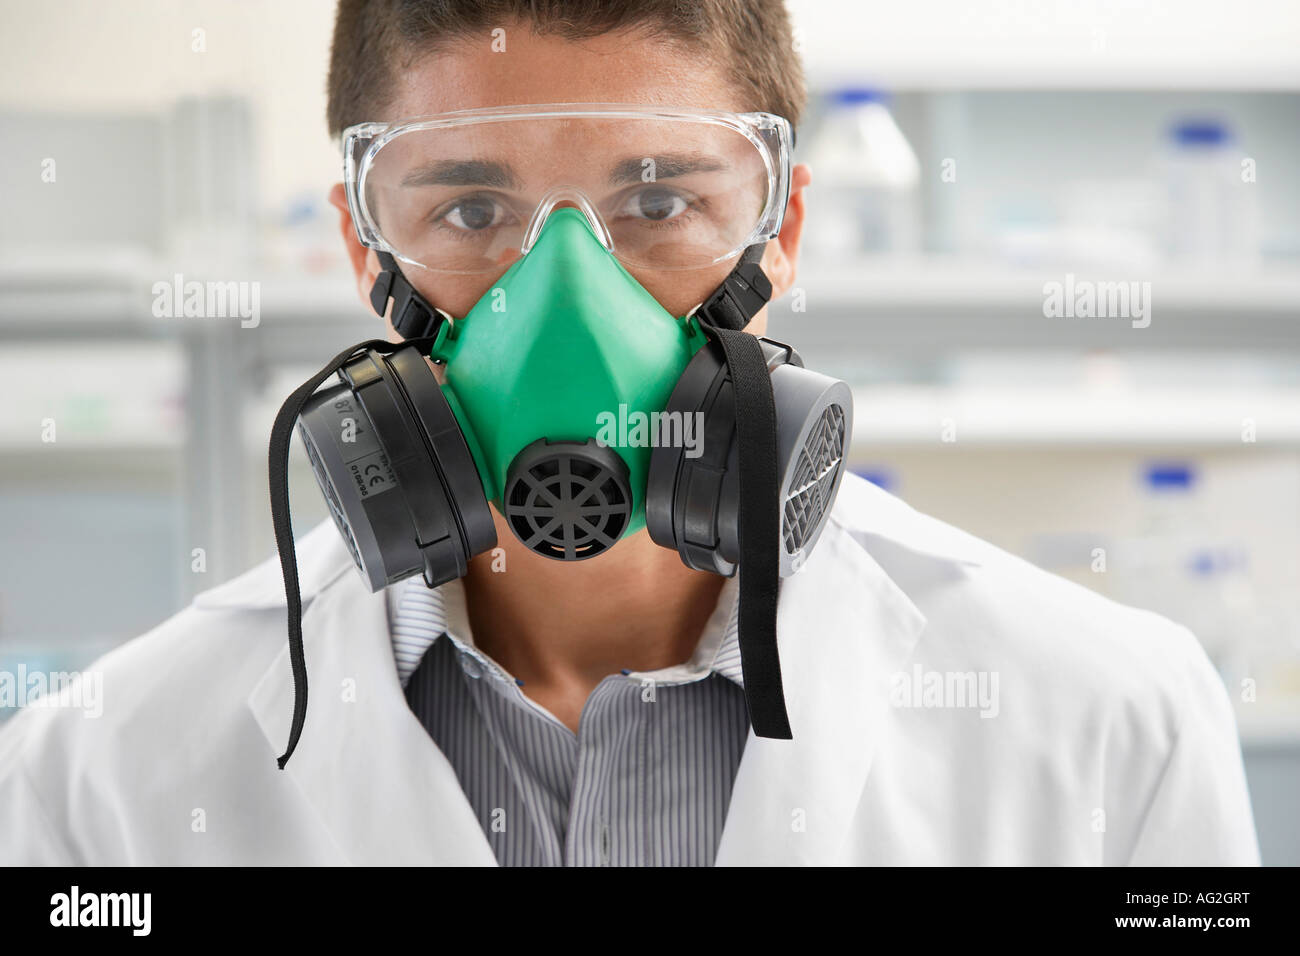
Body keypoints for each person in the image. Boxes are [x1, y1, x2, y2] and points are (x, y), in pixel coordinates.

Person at [0, 0, 1259, 866]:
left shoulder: (1111, 721)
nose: (562, 302)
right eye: (472, 205)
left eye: (660, 198)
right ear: (361, 246)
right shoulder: (98, 777)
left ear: (780, 230)